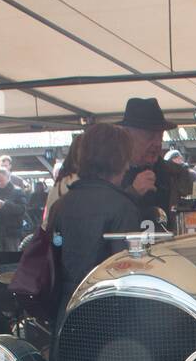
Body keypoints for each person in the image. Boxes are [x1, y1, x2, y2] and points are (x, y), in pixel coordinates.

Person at [50, 123, 142, 319]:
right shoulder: (122, 207)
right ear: (120, 160)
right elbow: (125, 272)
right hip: (107, 315)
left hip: (65, 310)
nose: (128, 166)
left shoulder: (61, 205)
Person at [116, 97, 193, 225]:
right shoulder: (110, 174)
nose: (157, 143)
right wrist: (132, 193)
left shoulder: (177, 174)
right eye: (150, 136)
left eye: (160, 136)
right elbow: (106, 217)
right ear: (127, 135)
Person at [0, 167, 27, 253]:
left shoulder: (17, 191)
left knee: (12, 257)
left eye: (1, 180)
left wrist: (5, 204)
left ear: (8, 178)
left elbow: (22, 209)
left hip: (12, 232)